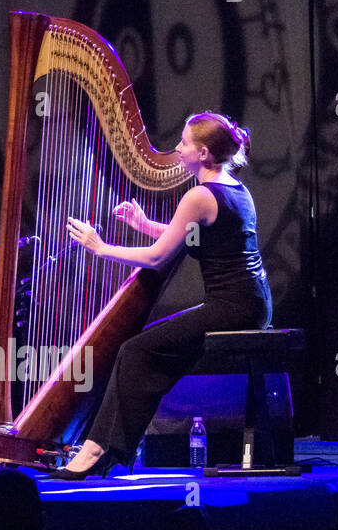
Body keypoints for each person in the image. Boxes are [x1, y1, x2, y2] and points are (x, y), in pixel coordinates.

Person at [57, 111, 272, 478]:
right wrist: (144, 224)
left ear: (203, 153)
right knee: (147, 354)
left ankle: (97, 450)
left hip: (232, 305)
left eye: (184, 143)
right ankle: (108, 448)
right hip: (252, 303)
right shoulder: (235, 187)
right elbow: (197, 237)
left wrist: (101, 247)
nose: (176, 147)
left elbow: (158, 257)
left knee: (134, 349)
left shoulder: (200, 195)